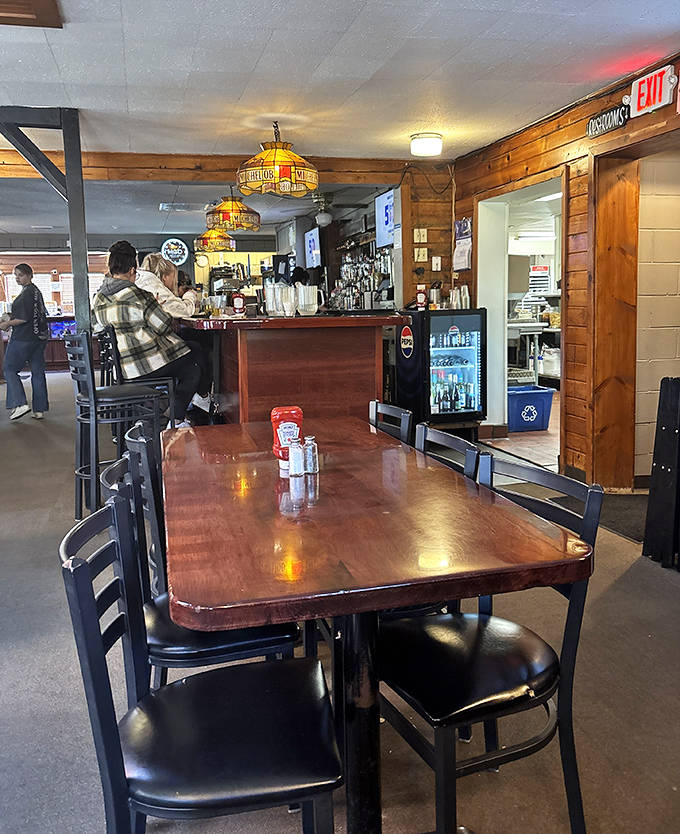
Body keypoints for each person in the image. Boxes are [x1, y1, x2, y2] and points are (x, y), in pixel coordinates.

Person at [91, 241, 201, 427]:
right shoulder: (138, 294)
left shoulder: (99, 298)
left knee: (188, 356)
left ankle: (159, 413)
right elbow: (164, 325)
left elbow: (98, 328)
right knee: (194, 361)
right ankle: (176, 417)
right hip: (146, 366)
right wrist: (157, 306)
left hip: (123, 367)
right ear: (133, 269)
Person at [0, 263, 49, 420]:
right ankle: (39, 409)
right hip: (39, 338)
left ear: (29, 275)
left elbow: (22, 318)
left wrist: (7, 323)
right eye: (15, 275)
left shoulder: (26, 294)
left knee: (9, 368)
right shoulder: (36, 292)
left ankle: (20, 403)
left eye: (20, 275)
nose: (17, 278)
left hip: (23, 338)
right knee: (37, 372)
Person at [136, 253, 197, 317]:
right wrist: (190, 295)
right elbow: (185, 311)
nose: (175, 282)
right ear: (165, 277)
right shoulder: (158, 291)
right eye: (174, 277)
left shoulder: (143, 283)